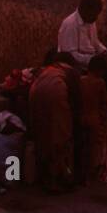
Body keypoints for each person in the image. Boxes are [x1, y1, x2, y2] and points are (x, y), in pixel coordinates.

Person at [29, 55, 77, 191]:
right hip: (56, 94)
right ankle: (56, 180)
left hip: (35, 91)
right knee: (60, 138)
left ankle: (43, 177)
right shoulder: (71, 71)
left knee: (42, 134)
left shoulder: (49, 69)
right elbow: (76, 100)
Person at [79, 55, 107, 184]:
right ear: (100, 70)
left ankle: (84, 176)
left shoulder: (80, 80)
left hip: (82, 117)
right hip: (95, 119)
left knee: (84, 147)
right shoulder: (100, 82)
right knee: (95, 149)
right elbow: (104, 102)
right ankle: (95, 174)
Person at [57, 0, 107, 67]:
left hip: (90, 62)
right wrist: (92, 60)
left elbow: (95, 42)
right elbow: (69, 56)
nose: (96, 17)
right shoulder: (70, 24)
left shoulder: (90, 20)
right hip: (75, 67)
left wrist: (104, 51)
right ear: (84, 10)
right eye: (93, 14)